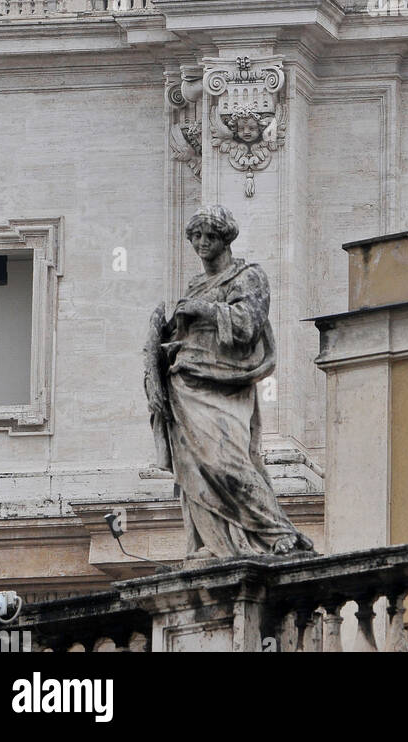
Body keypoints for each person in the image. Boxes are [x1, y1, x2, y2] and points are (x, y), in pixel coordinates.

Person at [144, 205, 312, 557]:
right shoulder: (194, 285)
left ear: (226, 240)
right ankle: (215, 542)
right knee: (195, 466)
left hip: (226, 385)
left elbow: (249, 323)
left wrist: (203, 310)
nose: (202, 243)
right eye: (197, 236)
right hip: (185, 384)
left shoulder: (248, 276)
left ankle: (275, 532)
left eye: (211, 236)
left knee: (226, 461)